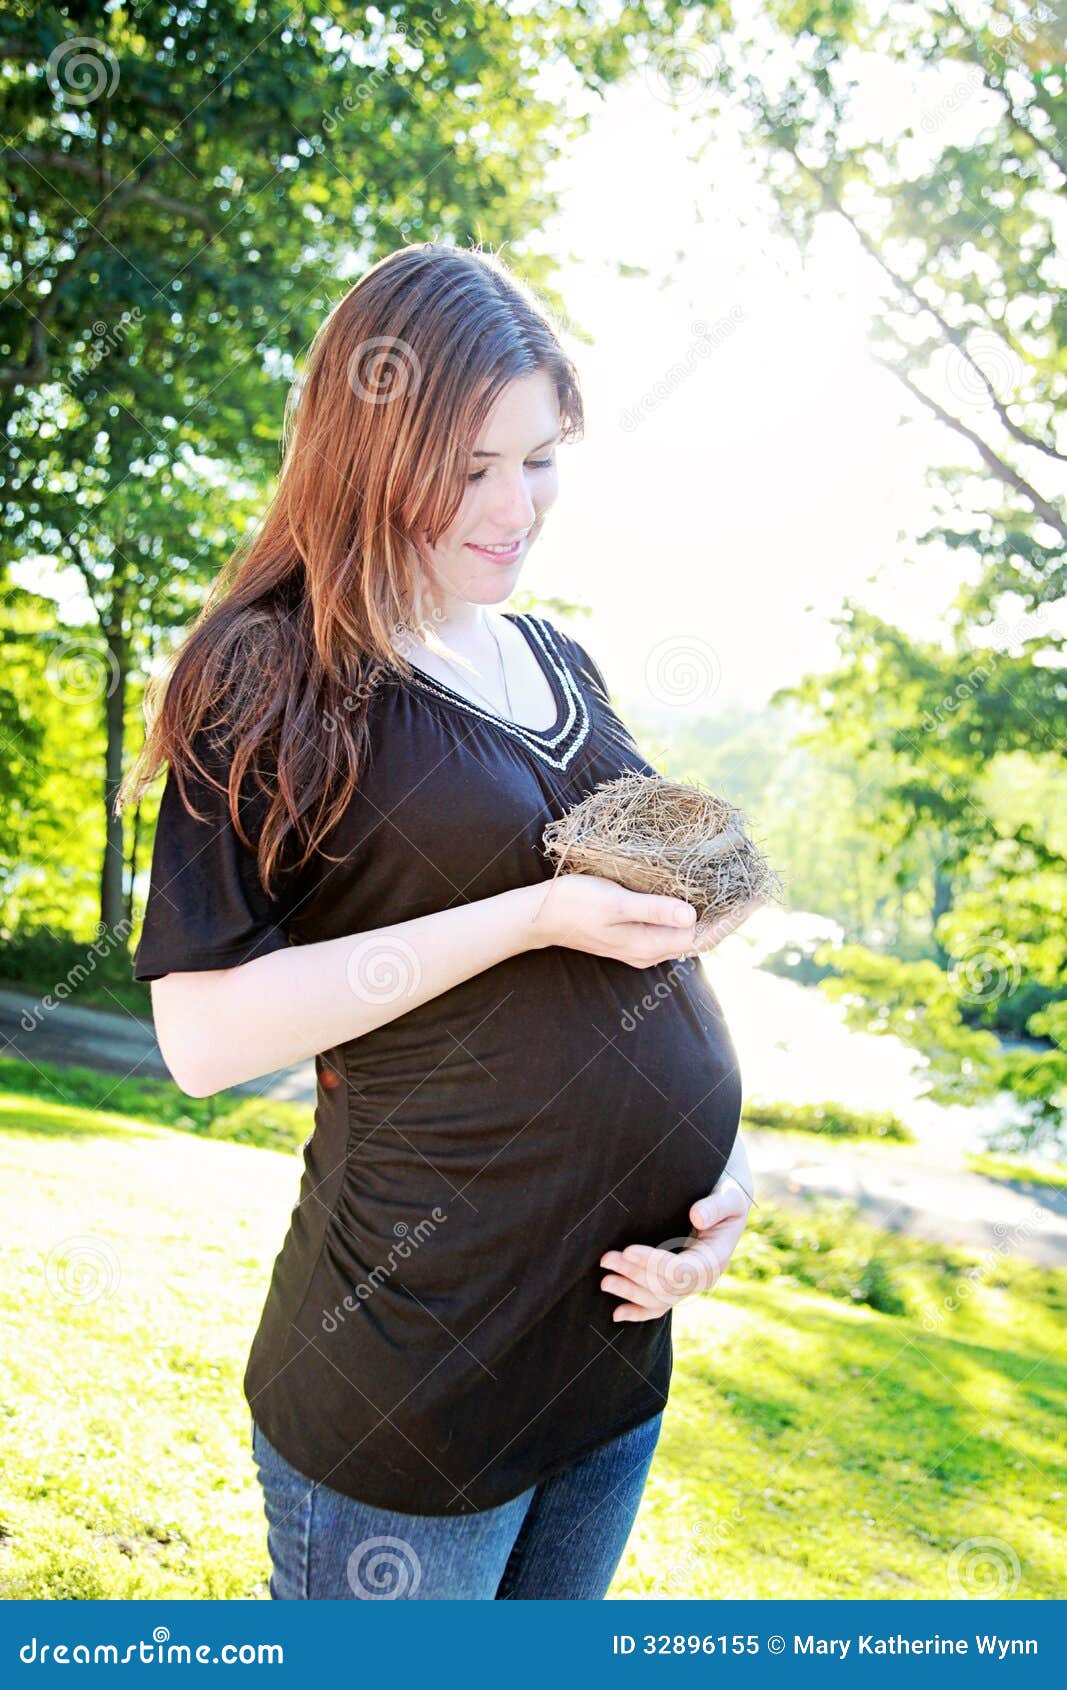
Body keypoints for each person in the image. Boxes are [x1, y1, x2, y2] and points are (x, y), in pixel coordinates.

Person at [118, 241, 756, 1601]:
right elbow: (201, 1034)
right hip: (414, 1396)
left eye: (538, 459)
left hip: (603, 1376)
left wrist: (721, 1174)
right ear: (366, 446)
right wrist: (527, 913)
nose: (513, 505)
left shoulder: (554, 657)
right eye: (469, 465)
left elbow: (659, 944)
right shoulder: (273, 671)